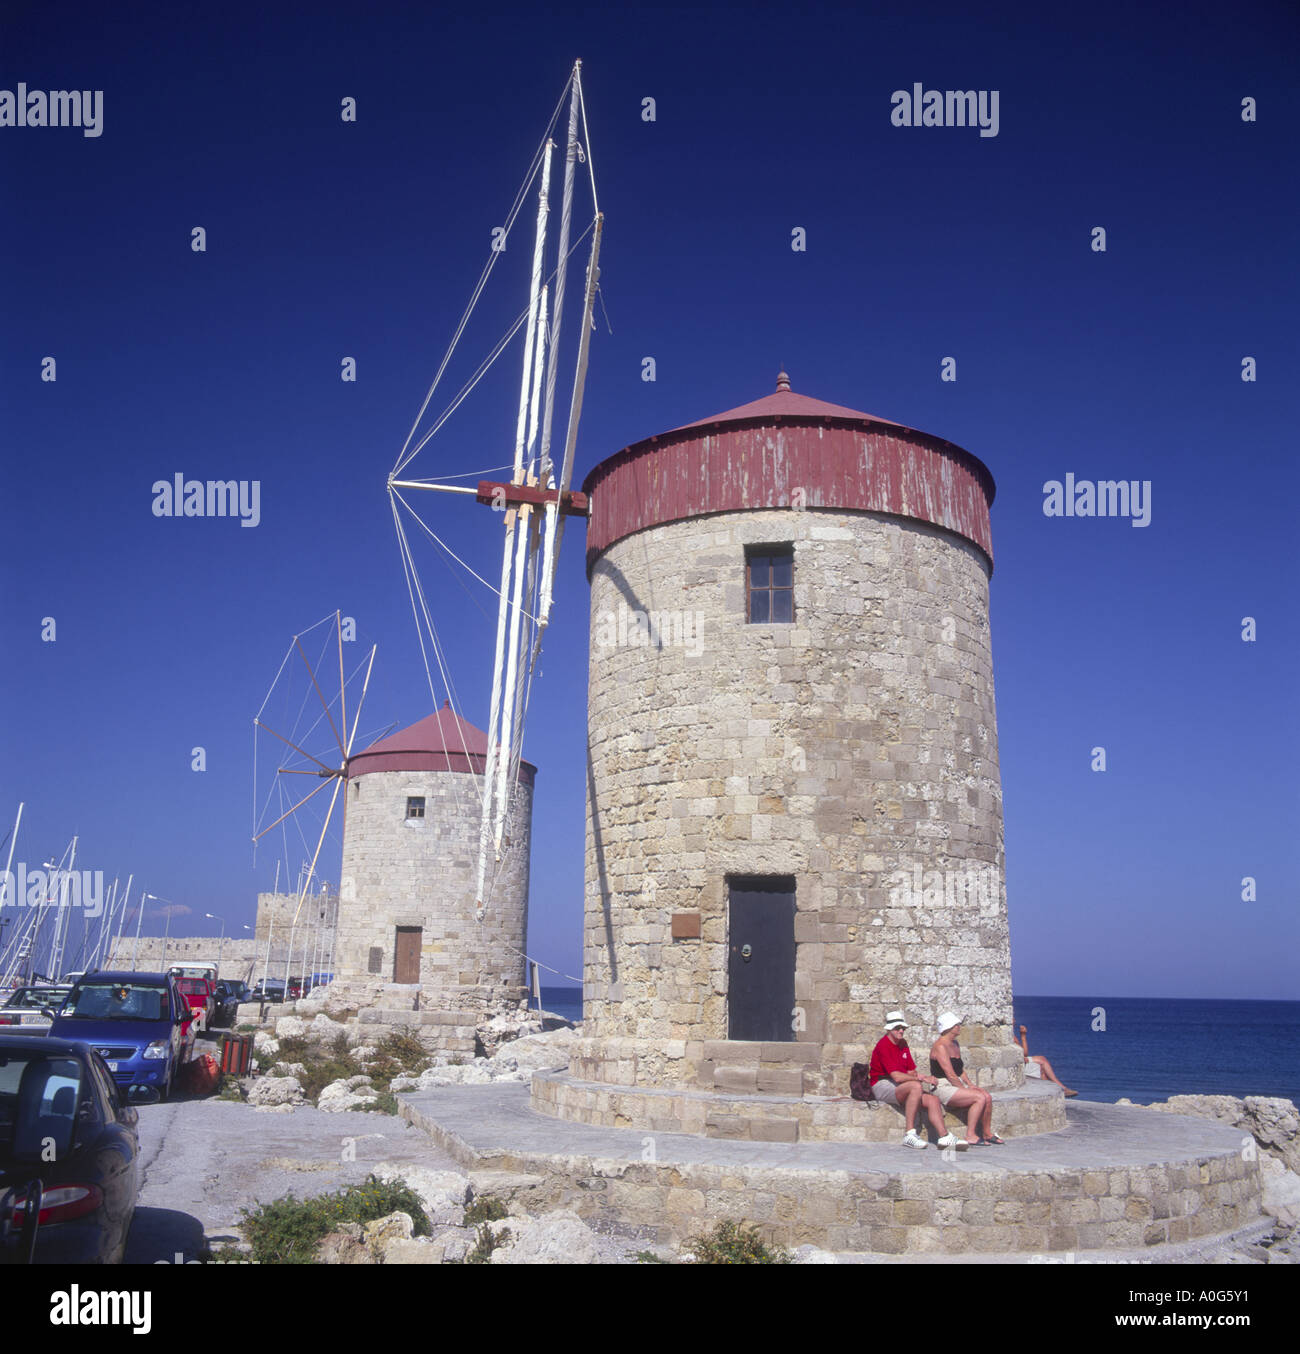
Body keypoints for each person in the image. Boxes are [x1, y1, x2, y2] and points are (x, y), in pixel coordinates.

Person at [868, 1010, 959, 1150]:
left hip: (900, 1084)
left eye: (902, 1028)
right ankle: (909, 1134)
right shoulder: (883, 1046)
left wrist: (916, 1077)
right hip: (881, 1084)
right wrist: (920, 1078)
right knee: (916, 1086)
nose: (901, 1030)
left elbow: (911, 1070)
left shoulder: (903, 1043)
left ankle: (944, 1136)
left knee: (933, 1100)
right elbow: (897, 1076)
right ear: (889, 1029)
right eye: (897, 1028)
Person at [929, 1012, 1002, 1145]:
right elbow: (950, 1074)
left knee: (987, 1096)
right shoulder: (940, 1046)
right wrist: (965, 1090)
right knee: (978, 1097)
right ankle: (970, 1135)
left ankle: (987, 1133)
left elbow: (959, 1070)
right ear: (950, 1027)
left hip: (955, 1083)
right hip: (942, 1086)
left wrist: (970, 1084)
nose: (959, 1027)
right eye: (957, 1025)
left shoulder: (955, 1044)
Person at [1017, 1022, 1076, 1096]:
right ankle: (1062, 1088)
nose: (1014, 1019)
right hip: (1018, 1062)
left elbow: (1022, 1054)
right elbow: (1024, 1054)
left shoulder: (1011, 1036)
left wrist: (1023, 1035)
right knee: (1042, 1062)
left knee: (1042, 1062)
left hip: (1021, 1060)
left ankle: (1052, 1092)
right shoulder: (1012, 1037)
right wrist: (1023, 1036)